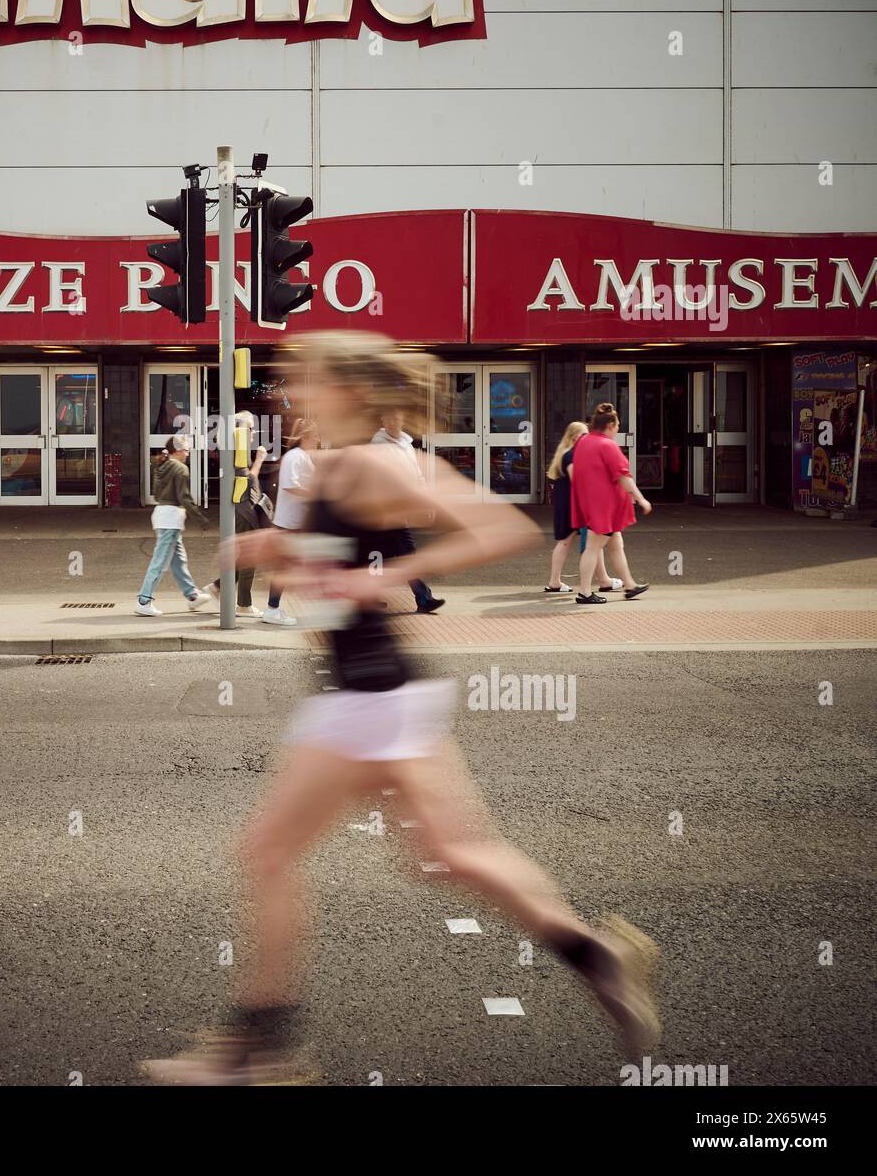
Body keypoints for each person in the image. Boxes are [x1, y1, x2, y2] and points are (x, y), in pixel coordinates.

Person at [143, 332, 660, 1086]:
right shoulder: (346, 463)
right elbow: (343, 554)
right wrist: (278, 553)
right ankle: (596, 954)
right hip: (389, 691)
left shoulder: (370, 462)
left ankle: (259, 1053)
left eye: (306, 378)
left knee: (268, 855)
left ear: (348, 390)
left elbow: (501, 529)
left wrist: (395, 574)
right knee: (453, 855)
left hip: (366, 698)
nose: (292, 389)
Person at [571, 403, 651, 604]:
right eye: (617, 426)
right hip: (605, 507)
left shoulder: (584, 442)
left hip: (594, 504)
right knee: (593, 547)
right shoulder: (607, 445)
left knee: (616, 545)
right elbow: (623, 476)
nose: (618, 430)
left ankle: (630, 585)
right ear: (611, 425)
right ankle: (585, 592)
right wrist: (641, 498)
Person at [370, 409, 445, 613]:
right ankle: (422, 598)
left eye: (397, 418)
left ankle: (421, 598)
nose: (394, 422)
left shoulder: (406, 444)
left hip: (398, 510)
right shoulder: (379, 445)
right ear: (383, 419)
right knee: (394, 555)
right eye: (389, 418)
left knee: (396, 555)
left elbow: (416, 475)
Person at [134, 435, 215, 617]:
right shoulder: (180, 469)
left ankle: (192, 595)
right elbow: (184, 498)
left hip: (162, 514)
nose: (188, 453)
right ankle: (144, 600)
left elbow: (156, 494)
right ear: (178, 450)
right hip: (171, 519)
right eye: (186, 450)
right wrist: (201, 519)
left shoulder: (162, 466)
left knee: (178, 560)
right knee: (160, 561)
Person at [545, 421, 623, 595]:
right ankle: (599, 581)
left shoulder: (565, 454)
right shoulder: (571, 455)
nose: (588, 439)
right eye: (584, 435)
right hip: (573, 505)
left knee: (576, 542)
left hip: (568, 504)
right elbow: (578, 481)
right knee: (589, 543)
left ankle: (557, 581)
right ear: (574, 438)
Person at [208, 411, 268, 618]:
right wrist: (259, 459)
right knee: (249, 554)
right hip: (244, 506)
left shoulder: (236, 449)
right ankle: (243, 604)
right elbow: (249, 479)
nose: (253, 433)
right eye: (250, 429)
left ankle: (218, 587)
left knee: (244, 553)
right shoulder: (238, 450)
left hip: (242, 504)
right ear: (240, 430)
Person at [262, 418, 320, 627]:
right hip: (289, 523)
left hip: (295, 522)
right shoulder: (295, 457)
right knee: (284, 568)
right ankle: (272, 609)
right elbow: (289, 485)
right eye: (315, 435)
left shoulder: (301, 456)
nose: (318, 439)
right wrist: (316, 494)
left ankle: (273, 608)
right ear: (305, 437)